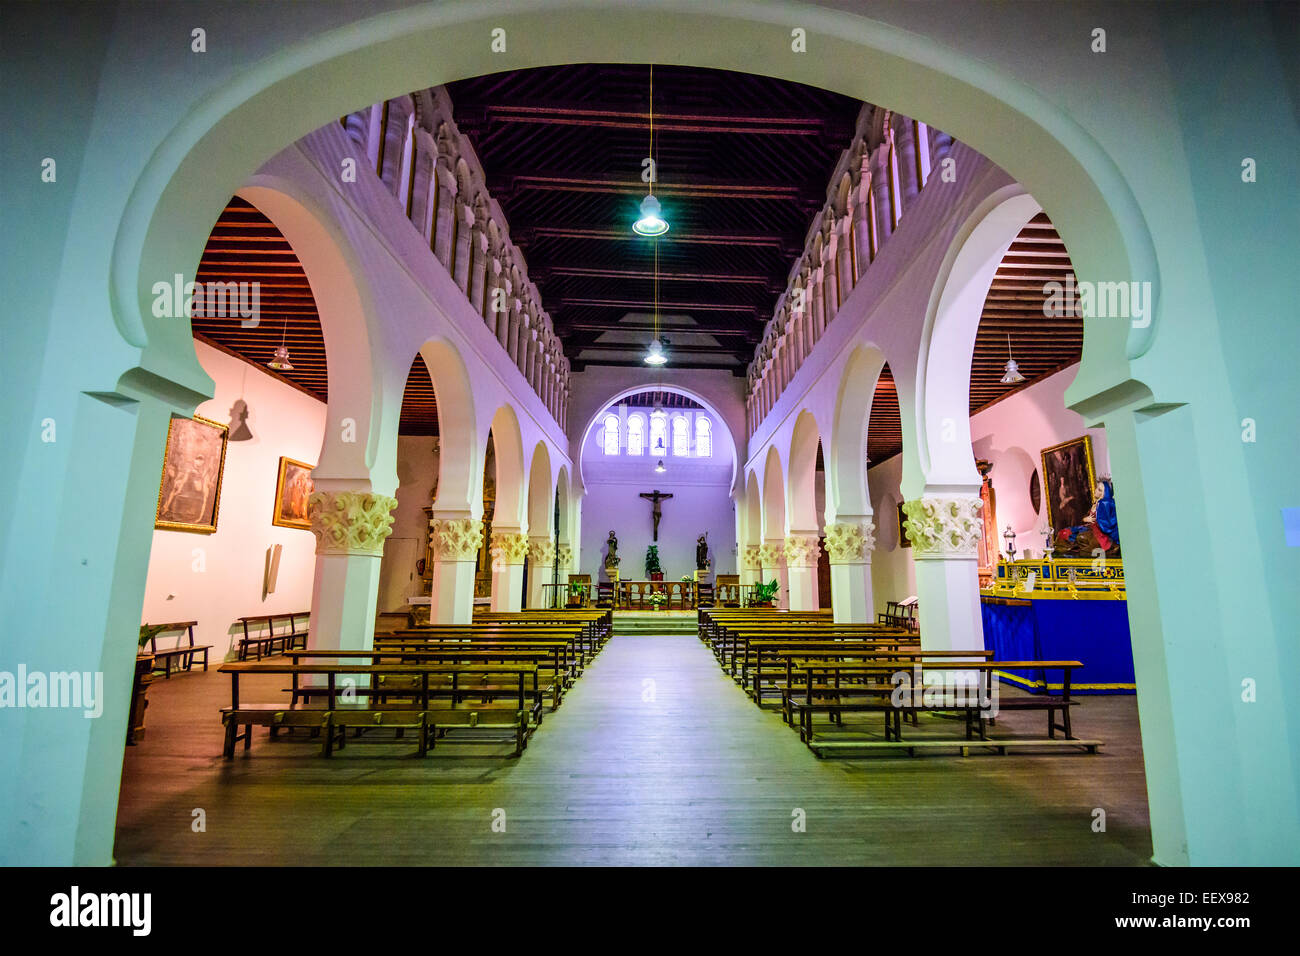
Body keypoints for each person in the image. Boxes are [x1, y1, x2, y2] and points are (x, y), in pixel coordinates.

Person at [1056, 478, 1120, 556]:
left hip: (1098, 532)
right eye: (1097, 488)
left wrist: (1096, 520)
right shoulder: (1096, 504)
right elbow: (1086, 518)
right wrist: (1086, 519)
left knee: (1080, 537)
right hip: (1089, 527)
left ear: (1105, 493)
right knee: (1064, 532)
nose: (1096, 491)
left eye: (1100, 490)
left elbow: (1106, 523)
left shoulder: (1104, 504)